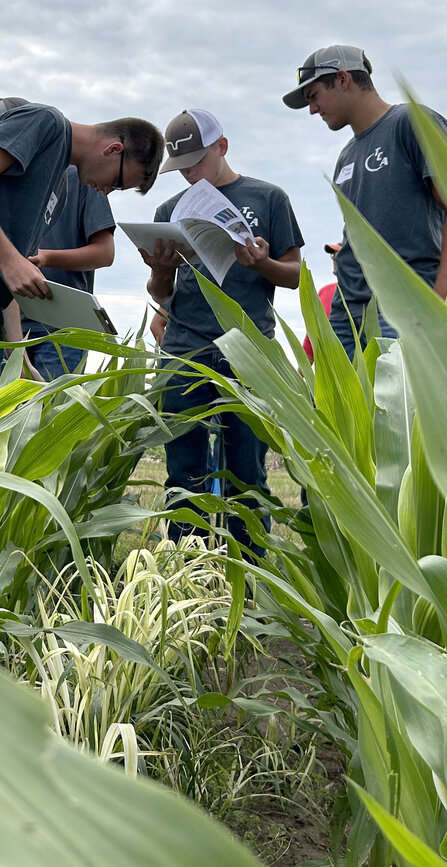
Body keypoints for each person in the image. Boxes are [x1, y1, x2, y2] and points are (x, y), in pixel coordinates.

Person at [0, 102, 163, 452]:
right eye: (116, 183)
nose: (106, 192)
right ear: (113, 149)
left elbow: (13, 276)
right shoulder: (45, 123)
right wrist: (8, 259)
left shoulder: (60, 188)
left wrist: (18, 353)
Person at [140, 109, 302, 553]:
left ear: (222, 147)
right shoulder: (168, 211)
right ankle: (188, 576)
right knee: (183, 471)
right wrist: (160, 270)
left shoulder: (269, 198)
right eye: (182, 167)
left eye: (197, 162)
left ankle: (249, 580)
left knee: (247, 472)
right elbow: (161, 291)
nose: (190, 174)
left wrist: (263, 263)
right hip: (183, 348)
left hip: (247, 349)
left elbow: (294, 275)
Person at [285, 44, 447, 357]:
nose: (312, 109)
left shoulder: (411, 123)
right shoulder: (346, 158)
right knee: (334, 404)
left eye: (313, 95)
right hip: (345, 313)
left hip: (405, 306)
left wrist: (441, 301)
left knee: (397, 405)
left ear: (342, 79)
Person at [0, 98, 117, 382]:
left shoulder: (82, 177)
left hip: (64, 324)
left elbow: (105, 253)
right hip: (10, 323)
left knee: (53, 416)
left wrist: (45, 258)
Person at [301, 242, 340, 363]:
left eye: (338, 253)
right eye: (333, 254)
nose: (333, 257)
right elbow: (311, 339)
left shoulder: (368, 296)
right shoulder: (324, 291)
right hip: (327, 376)